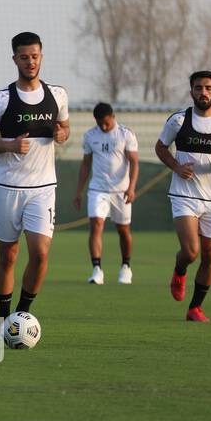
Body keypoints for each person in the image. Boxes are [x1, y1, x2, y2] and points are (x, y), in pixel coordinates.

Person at [0, 31, 69, 323]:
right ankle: (5, 319)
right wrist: (9, 145)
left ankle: (22, 316)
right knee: (8, 256)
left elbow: (65, 128)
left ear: (42, 56)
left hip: (42, 189)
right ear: (15, 58)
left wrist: (62, 134)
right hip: (6, 188)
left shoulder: (58, 94)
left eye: (35, 56)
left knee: (40, 254)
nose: (31, 62)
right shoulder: (1, 99)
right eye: (25, 57)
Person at [155, 71, 211, 322]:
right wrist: (176, 166)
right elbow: (161, 147)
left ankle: (195, 308)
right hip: (184, 195)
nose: (203, 92)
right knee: (191, 251)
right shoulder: (178, 121)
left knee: (210, 255)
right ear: (191, 91)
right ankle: (179, 269)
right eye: (198, 88)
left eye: (208, 88)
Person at [73, 102, 139, 285]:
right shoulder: (90, 136)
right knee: (96, 224)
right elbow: (86, 164)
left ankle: (126, 267)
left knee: (123, 229)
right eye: (99, 123)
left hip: (121, 191)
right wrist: (79, 191)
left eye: (106, 122)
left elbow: (134, 162)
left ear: (112, 117)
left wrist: (132, 187)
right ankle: (97, 270)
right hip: (97, 189)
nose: (103, 126)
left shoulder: (126, 134)